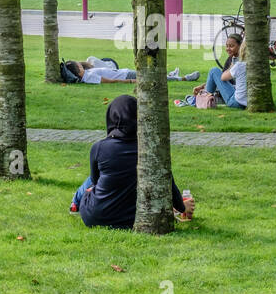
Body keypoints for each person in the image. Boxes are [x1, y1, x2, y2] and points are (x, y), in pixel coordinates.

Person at [70, 95, 194, 229]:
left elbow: (95, 181)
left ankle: (75, 202)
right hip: (132, 218)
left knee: (95, 179)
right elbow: (168, 182)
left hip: (95, 216)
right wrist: (182, 207)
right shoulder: (150, 149)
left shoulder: (99, 147)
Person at [193, 40, 248, 108]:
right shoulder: (258, 67)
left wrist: (232, 65)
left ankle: (203, 99)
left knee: (214, 71)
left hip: (237, 102)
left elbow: (223, 77)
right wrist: (203, 86)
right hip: (246, 101)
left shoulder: (241, 65)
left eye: (231, 46)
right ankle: (204, 95)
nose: (228, 48)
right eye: (227, 46)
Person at [66, 58, 137, 83]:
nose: (80, 63)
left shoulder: (86, 74)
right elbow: (110, 81)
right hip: (125, 75)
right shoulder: (89, 76)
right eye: (78, 64)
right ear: (79, 69)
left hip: (124, 72)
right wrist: (130, 81)